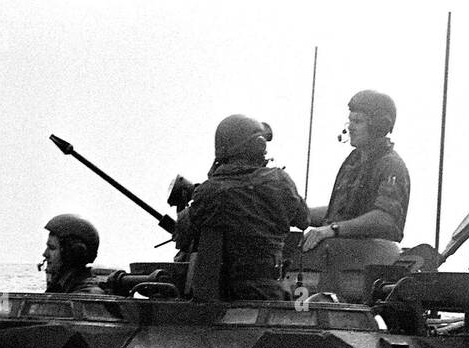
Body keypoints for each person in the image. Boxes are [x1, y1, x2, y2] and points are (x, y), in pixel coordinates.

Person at [175, 114, 308, 300]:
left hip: (224, 295)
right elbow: (303, 220)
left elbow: (183, 236)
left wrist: (213, 179)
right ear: (258, 145)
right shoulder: (280, 181)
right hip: (272, 293)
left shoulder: (209, 192)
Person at [301, 90, 410, 266]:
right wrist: (300, 212)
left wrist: (332, 230)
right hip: (345, 255)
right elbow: (341, 212)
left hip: (369, 262)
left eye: (358, 121)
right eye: (350, 120)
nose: (350, 127)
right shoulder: (354, 160)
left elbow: (386, 219)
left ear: (378, 126)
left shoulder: (391, 165)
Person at [42, 214, 105, 293]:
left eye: (52, 248)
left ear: (72, 253)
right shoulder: (63, 286)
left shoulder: (86, 295)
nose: (45, 254)